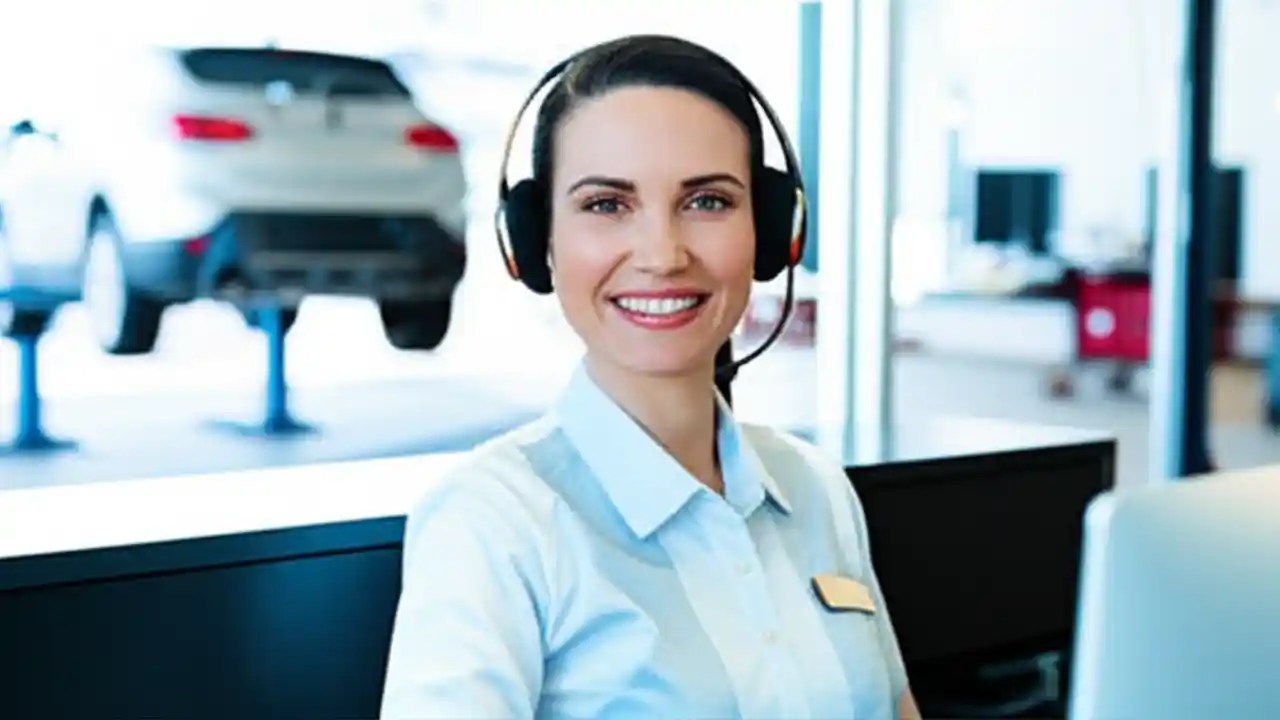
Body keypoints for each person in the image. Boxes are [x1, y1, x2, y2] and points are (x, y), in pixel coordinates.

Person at [380, 34, 921, 720]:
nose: (662, 255)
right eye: (607, 204)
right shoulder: (495, 523)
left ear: (772, 229)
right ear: (536, 241)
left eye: (707, 202)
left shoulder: (817, 491)